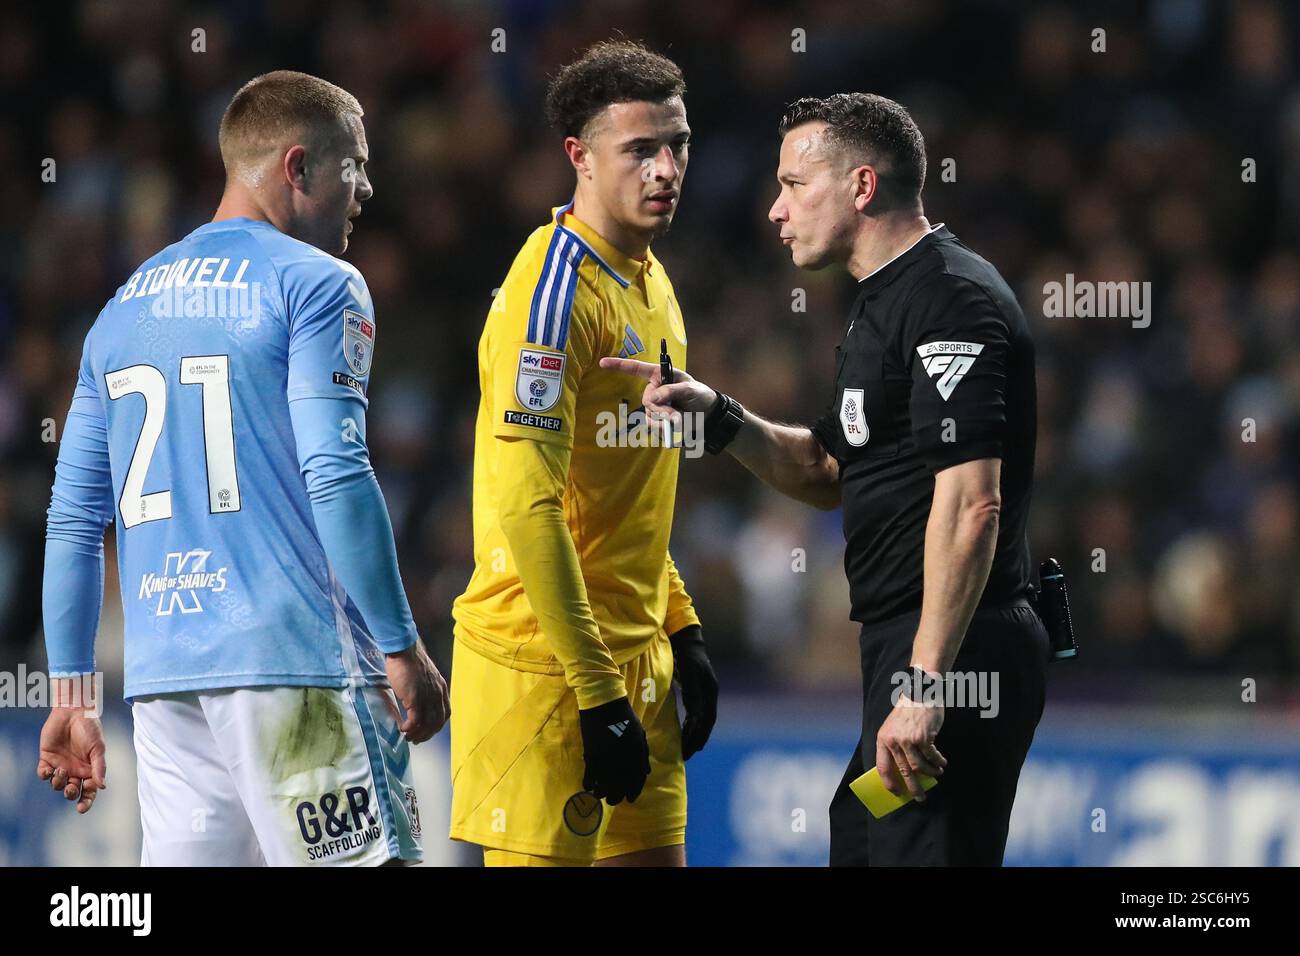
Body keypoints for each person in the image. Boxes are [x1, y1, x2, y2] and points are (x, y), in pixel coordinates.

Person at [603, 92, 1047, 866]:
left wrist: (927, 683)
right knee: (864, 840)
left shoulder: (951, 301)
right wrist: (720, 417)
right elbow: (828, 470)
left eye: (795, 186)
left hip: (955, 649)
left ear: (862, 187)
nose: (776, 210)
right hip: (909, 650)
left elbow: (973, 503)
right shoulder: (883, 303)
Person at [37, 70, 448, 866]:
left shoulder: (120, 311)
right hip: (298, 668)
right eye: (353, 165)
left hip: (166, 681)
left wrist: (70, 695)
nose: (366, 187)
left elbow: (73, 521)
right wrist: (401, 645)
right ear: (297, 168)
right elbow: (335, 468)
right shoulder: (318, 284)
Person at [449, 40, 718, 867]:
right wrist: (597, 695)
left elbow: (628, 491)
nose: (665, 168)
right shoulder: (551, 297)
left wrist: (683, 626)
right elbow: (528, 511)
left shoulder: (651, 278)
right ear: (579, 157)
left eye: (676, 145)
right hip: (547, 669)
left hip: (638, 655)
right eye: (640, 150)